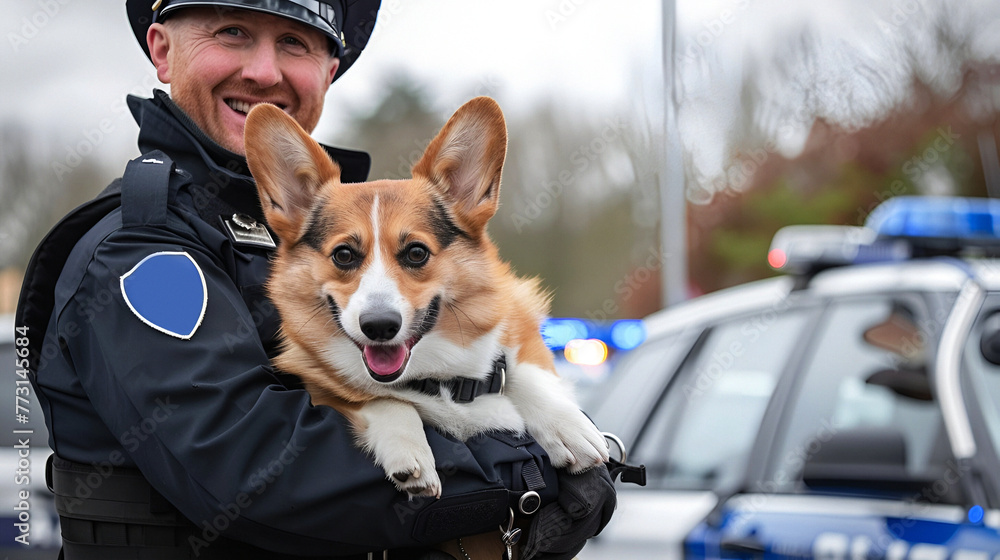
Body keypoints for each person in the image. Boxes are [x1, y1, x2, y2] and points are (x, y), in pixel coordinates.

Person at [15, 1, 618, 559]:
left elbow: (486, 331)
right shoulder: (141, 253)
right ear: (163, 49)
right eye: (232, 32)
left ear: (329, 70)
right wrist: (521, 476)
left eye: (296, 43)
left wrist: (538, 412)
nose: (262, 70)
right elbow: (249, 469)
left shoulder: (307, 228)